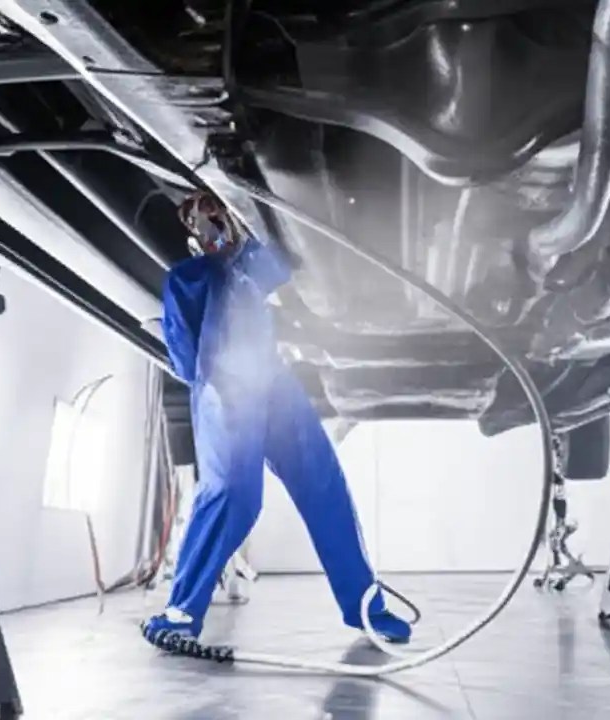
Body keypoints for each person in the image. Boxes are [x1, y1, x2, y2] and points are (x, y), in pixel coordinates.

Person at [143, 192, 411, 645]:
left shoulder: (250, 262)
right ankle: (179, 612)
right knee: (234, 495)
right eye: (196, 216)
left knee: (323, 483)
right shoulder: (186, 279)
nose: (207, 221)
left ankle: (366, 608)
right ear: (191, 230)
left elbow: (287, 260)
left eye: (213, 210)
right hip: (226, 388)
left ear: (228, 214)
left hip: (272, 381)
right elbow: (186, 360)